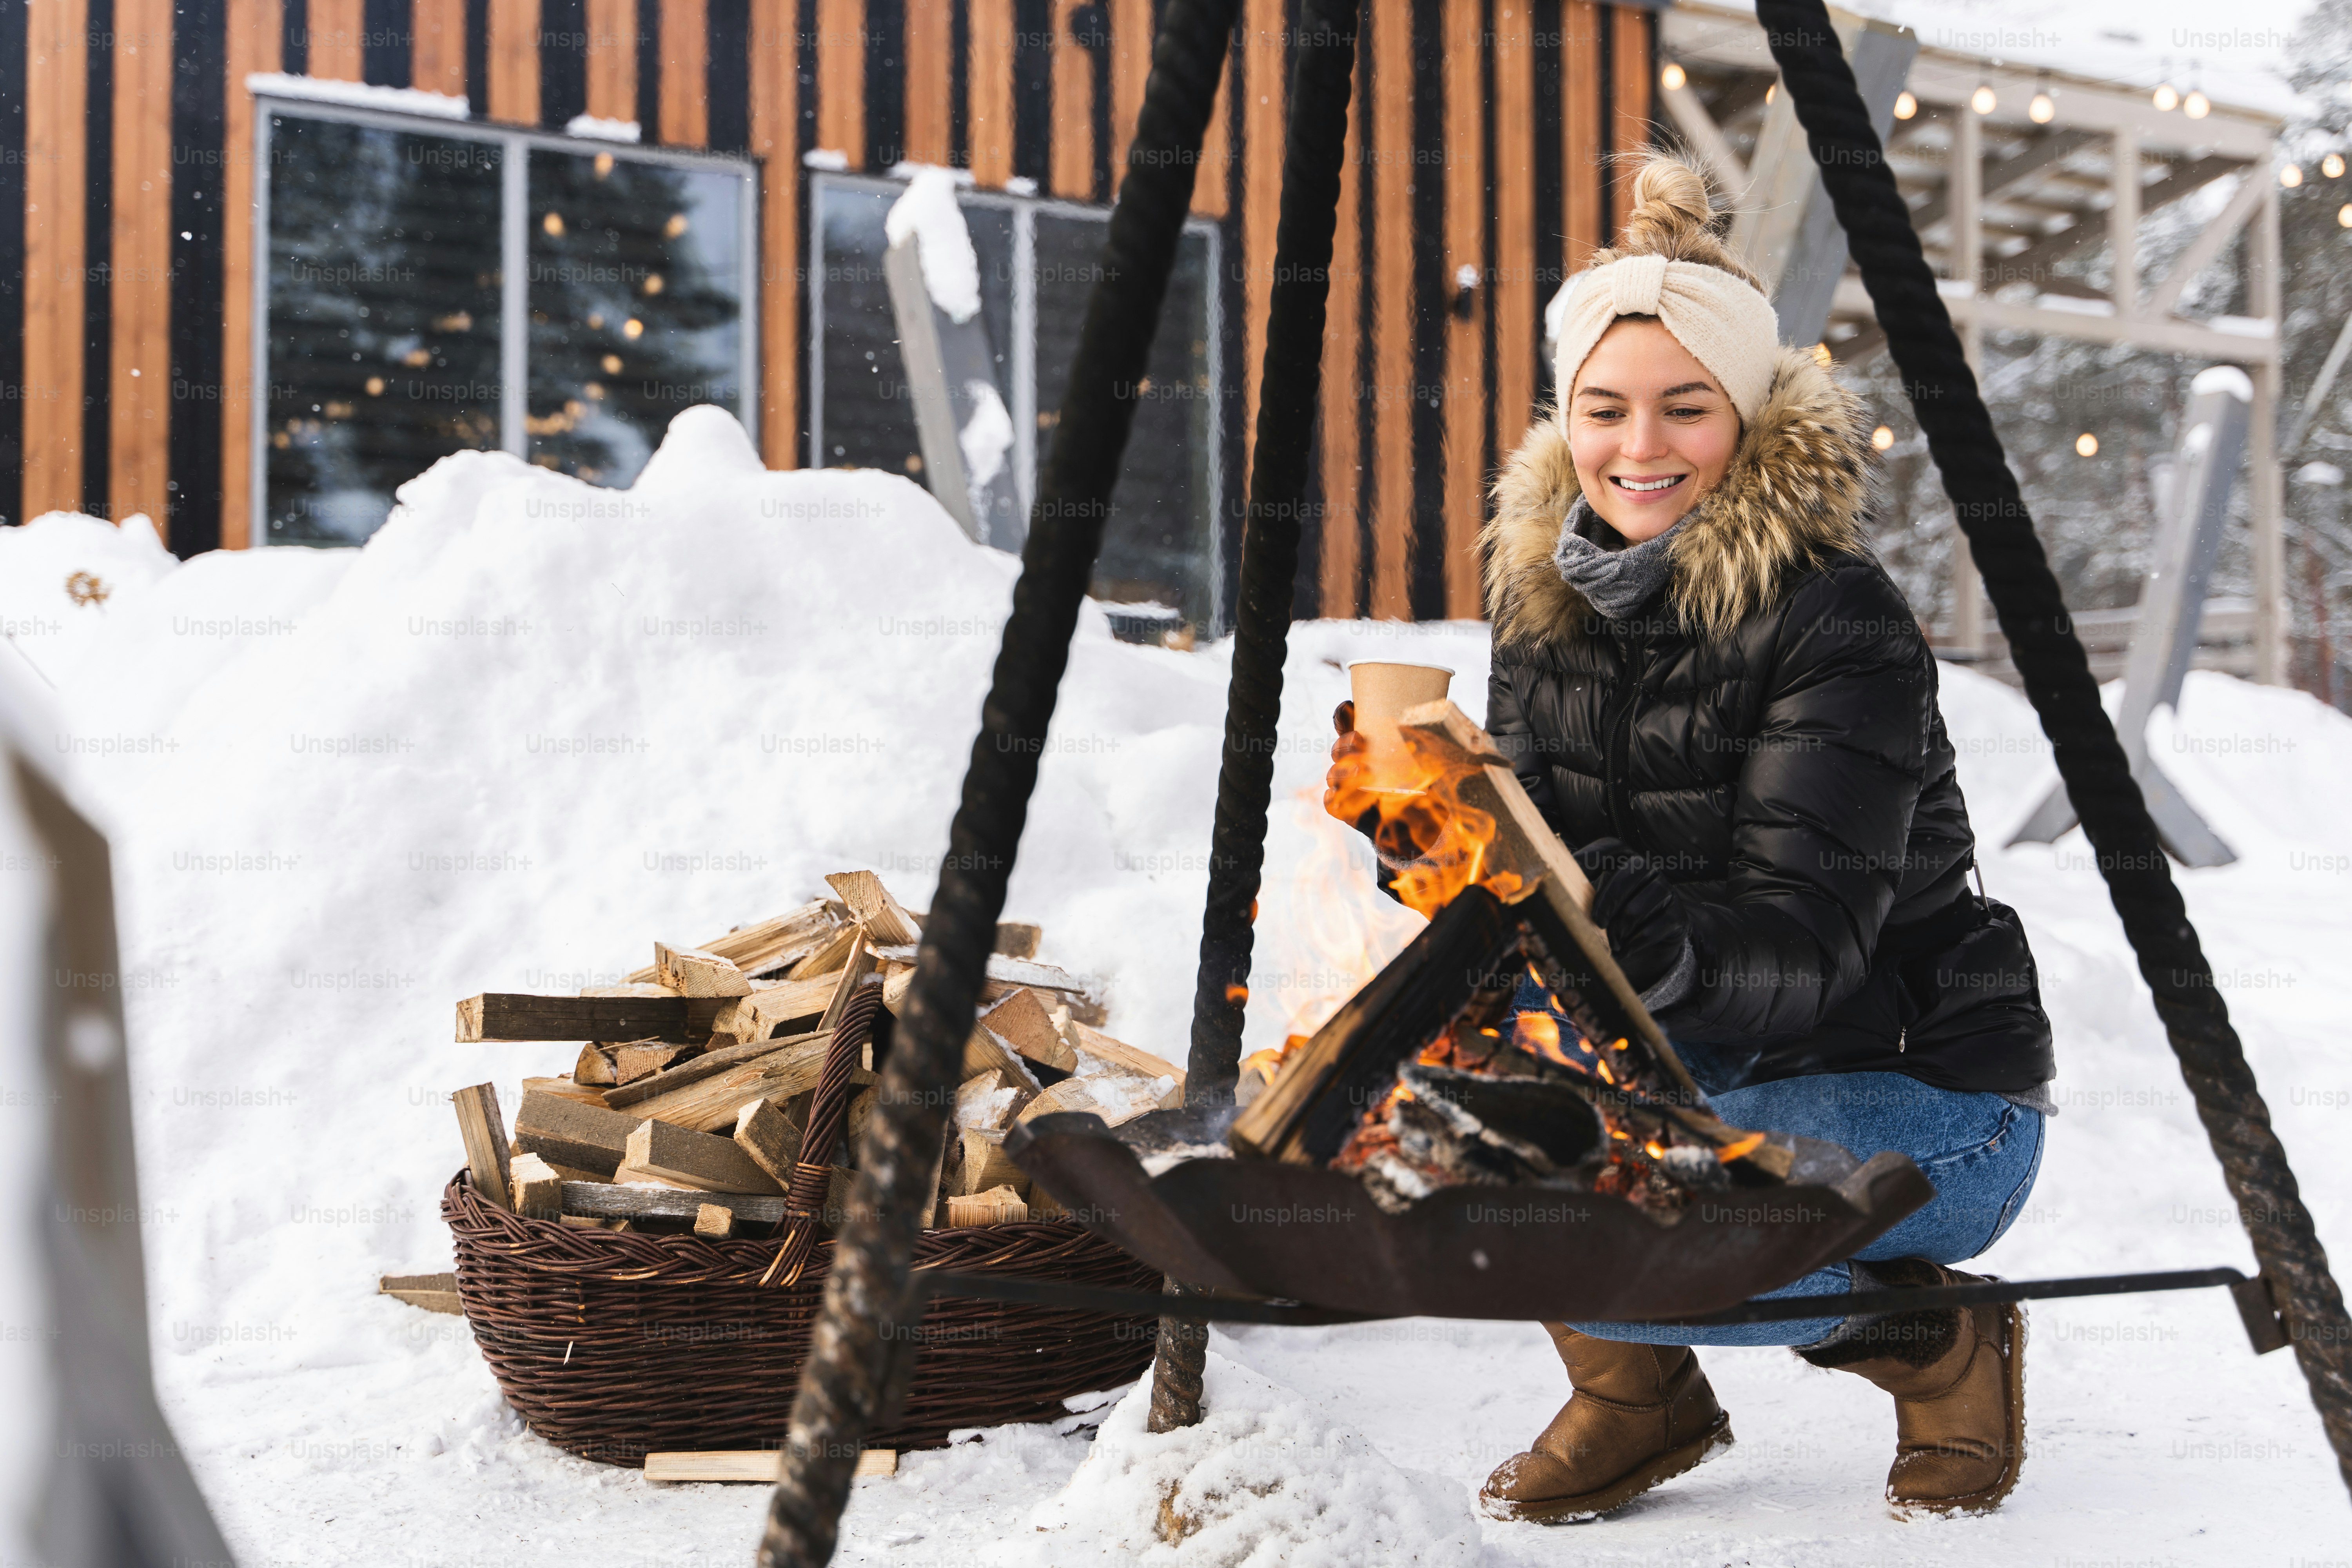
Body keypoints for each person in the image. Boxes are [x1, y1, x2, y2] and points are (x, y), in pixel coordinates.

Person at [1329, 154, 2054, 1524]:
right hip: (1688, 1071)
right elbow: (1528, 889)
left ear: (1749, 416)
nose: (1640, 446)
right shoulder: (1545, 604)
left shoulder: (1835, 619)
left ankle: (1934, 1337)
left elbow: (1805, 948)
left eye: (1686, 407)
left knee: (1613, 1202)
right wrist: (1430, 834)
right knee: (1432, 1139)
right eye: (1605, 409)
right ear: (1566, 420)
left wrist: (1621, 921)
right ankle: (1640, 1395)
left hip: (1917, 1099)